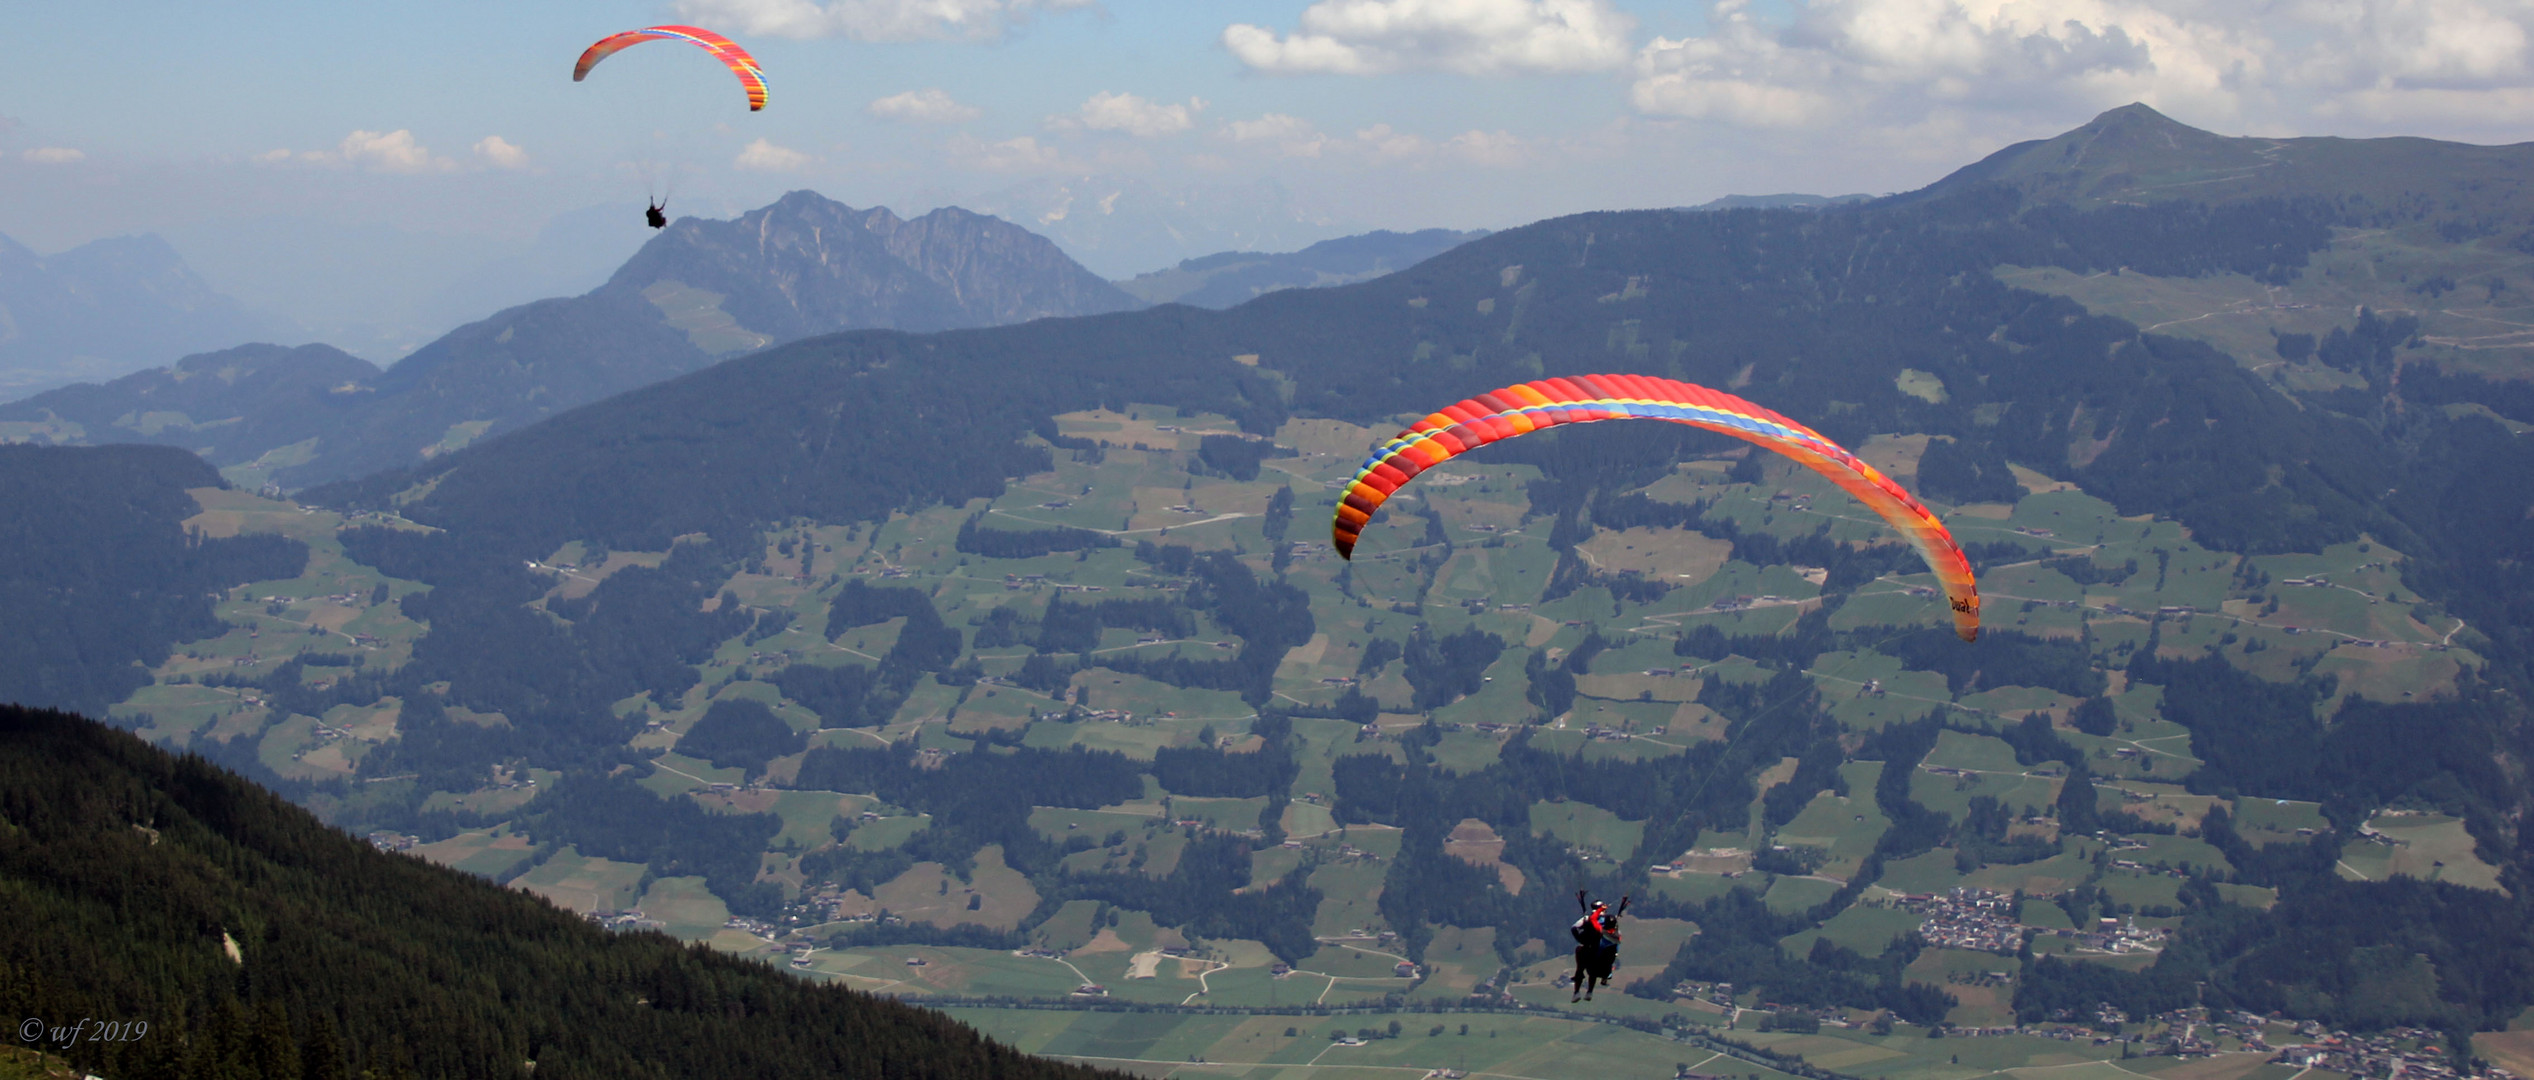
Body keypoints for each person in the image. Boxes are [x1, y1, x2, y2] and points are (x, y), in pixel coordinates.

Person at [1571, 890, 1627, 1002]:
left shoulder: (1592, 921)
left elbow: (1574, 928)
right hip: (1604, 958)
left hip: (1589, 949)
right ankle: (1590, 991)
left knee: (1580, 966)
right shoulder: (1616, 933)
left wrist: (1582, 940)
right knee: (1593, 971)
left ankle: (1576, 992)